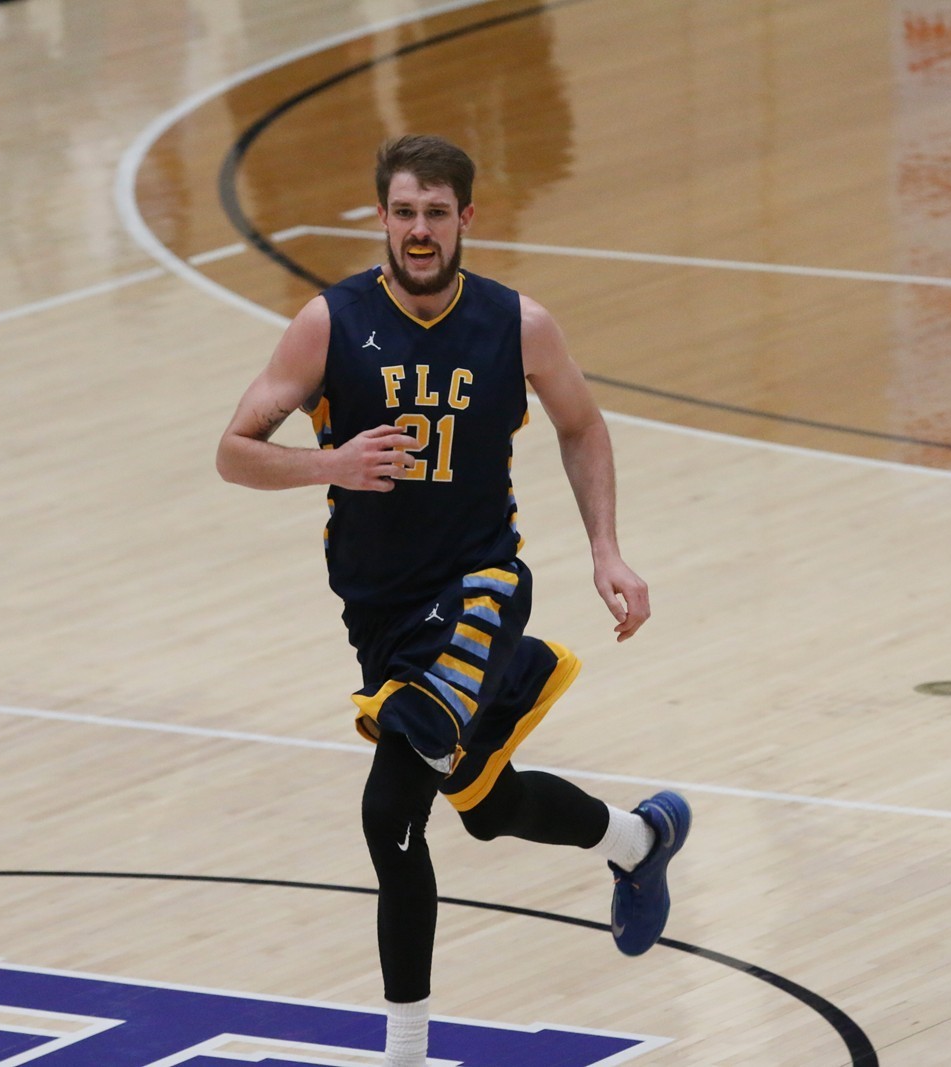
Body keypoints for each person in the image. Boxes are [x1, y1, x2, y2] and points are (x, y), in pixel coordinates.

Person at [216, 134, 692, 1067]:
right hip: (382, 618)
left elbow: (583, 425)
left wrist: (606, 548)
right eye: (404, 212)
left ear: (467, 218)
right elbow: (234, 450)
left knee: (386, 809)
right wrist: (332, 463)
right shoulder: (328, 323)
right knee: (481, 802)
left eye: (437, 213)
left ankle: (405, 1052)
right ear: (381, 218)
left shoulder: (519, 325)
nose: (420, 230)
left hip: (480, 588)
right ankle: (641, 838)